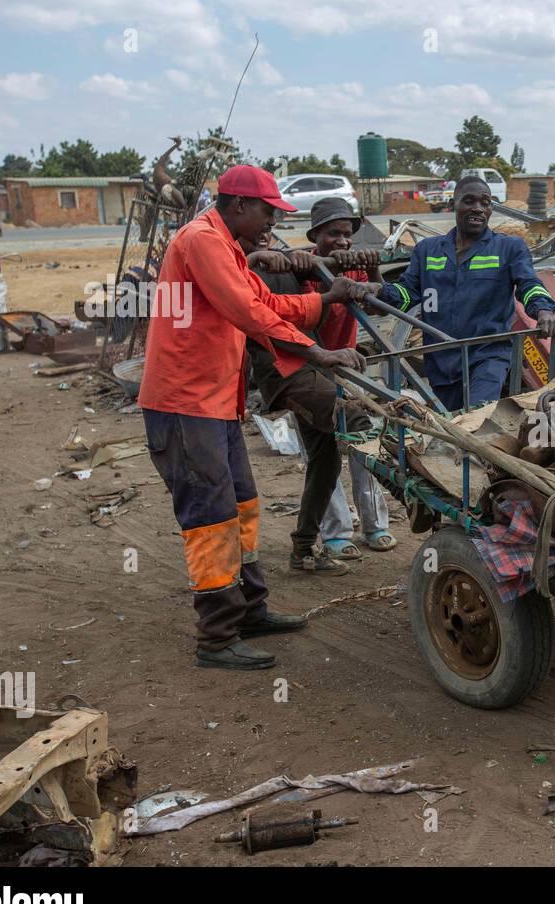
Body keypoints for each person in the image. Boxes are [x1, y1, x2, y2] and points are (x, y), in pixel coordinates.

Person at [138, 164, 367, 670]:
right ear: (239, 204)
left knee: (242, 506)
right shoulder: (201, 240)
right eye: (267, 211)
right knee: (211, 518)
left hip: (216, 402)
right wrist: (315, 352)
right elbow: (245, 309)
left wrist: (321, 300)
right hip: (184, 404)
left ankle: (250, 609)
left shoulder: (227, 243)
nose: (271, 222)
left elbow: (263, 299)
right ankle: (216, 638)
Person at [242, 197, 396, 567]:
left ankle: (305, 546)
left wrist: (371, 272)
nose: (342, 241)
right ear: (314, 236)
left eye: (347, 235)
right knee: (361, 423)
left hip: (331, 367)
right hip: (294, 369)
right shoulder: (294, 267)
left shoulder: (338, 265)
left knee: (327, 460)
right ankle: (348, 527)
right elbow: (287, 318)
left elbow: (377, 303)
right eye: (333, 234)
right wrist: (323, 287)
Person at [377, 175, 555, 411]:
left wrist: (543, 311)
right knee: (454, 424)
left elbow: (529, 284)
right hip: (441, 359)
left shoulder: (508, 248)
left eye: (486, 202)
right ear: (453, 205)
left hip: (488, 354)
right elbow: (406, 294)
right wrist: (378, 289)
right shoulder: (427, 251)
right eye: (469, 201)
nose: (478, 208)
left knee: (477, 416)